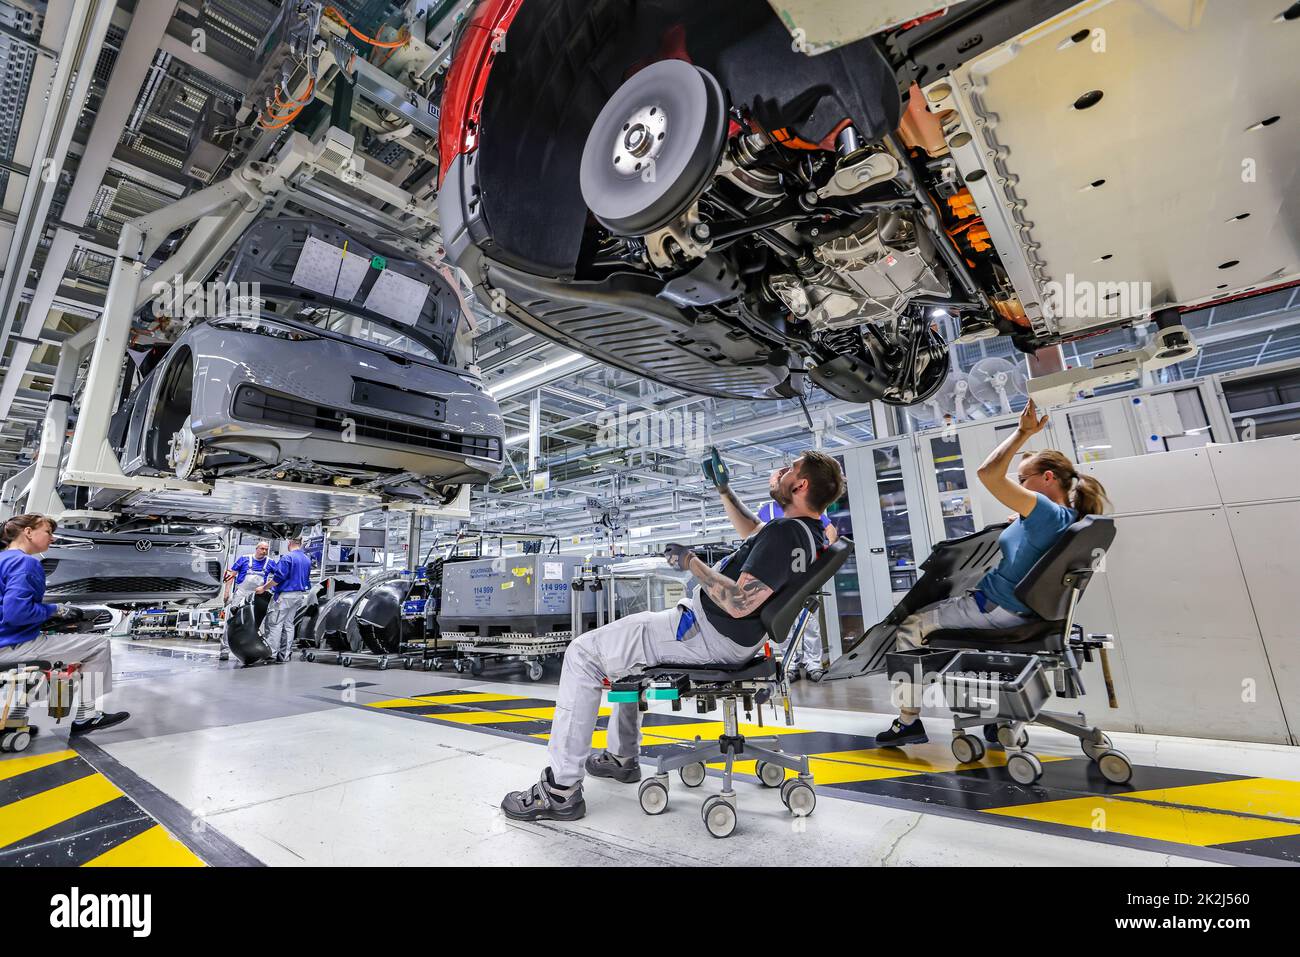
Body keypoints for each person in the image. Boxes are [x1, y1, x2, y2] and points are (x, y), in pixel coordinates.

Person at [501, 451, 845, 822]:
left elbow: (739, 604)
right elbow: (753, 533)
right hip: (718, 635)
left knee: (583, 654)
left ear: (801, 484)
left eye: (789, 468)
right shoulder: (804, 534)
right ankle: (620, 757)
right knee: (624, 653)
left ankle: (560, 790)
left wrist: (690, 562)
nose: (780, 471)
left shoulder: (785, 533)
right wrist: (724, 490)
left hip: (705, 633)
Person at [875, 399, 1110, 746]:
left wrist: (1022, 432)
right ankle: (994, 717)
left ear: (1047, 478)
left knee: (911, 627)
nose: (1018, 485)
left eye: (1023, 478)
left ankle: (907, 721)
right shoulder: (1067, 518)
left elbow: (987, 474)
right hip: (1022, 613)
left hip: (997, 609)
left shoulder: (1045, 510)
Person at [0, 514, 129, 735]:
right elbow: (17, 613)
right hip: (13, 645)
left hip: (6, 642)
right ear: (28, 532)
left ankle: (12, 724)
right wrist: (56, 609)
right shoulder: (25, 562)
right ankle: (86, 716)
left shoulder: (3, 559)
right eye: (48, 533)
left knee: (37, 669)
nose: (53, 539)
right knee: (98, 645)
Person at [755, 497, 838, 682]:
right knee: (783, 623)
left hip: (802, 572)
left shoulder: (805, 506)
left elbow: (830, 529)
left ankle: (813, 665)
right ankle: (790, 665)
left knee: (808, 621)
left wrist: (828, 551)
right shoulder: (766, 510)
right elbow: (755, 535)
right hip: (777, 574)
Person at [220, 540, 274, 661]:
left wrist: (271, 590)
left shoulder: (270, 563)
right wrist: (227, 592)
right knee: (232, 621)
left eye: (266, 549)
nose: (264, 551)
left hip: (257, 596)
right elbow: (231, 575)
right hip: (241, 594)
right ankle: (224, 650)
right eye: (262, 549)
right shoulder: (244, 559)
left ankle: (256, 650)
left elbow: (278, 577)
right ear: (257, 548)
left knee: (258, 624)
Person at [260, 538, 312, 663]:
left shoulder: (287, 558)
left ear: (290, 543)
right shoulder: (306, 559)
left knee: (275, 624)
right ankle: (285, 655)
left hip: (285, 596)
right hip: (298, 596)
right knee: (288, 625)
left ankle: (271, 653)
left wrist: (263, 588)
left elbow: (278, 578)